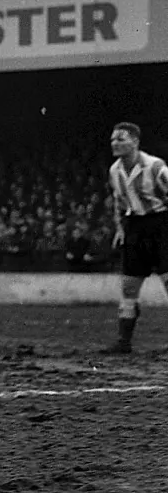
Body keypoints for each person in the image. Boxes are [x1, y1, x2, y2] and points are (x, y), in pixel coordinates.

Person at [101, 120, 168, 353]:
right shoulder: (114, 170)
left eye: (120, 139)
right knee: (129, 287)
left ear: (135, 142)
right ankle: (123, 342)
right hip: (135, 228)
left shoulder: (155, 167)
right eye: (112, 139)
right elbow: (119, 204)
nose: (114, 143)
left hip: (161, 225)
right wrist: (120, 230)